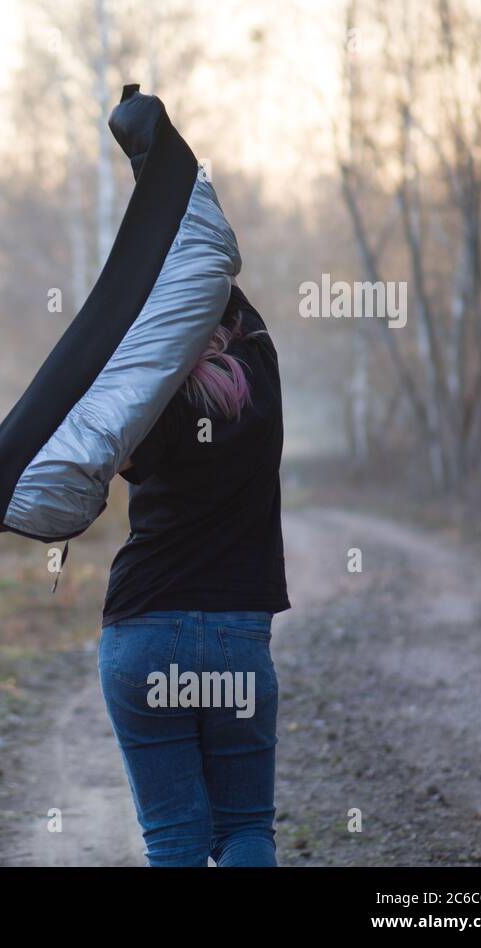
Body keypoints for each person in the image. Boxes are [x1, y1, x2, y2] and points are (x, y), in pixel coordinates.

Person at [97, 280, 290, 867]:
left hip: (143, 632)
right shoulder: (260, 367)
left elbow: (109, 453)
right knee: (245, 830)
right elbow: (213, 265)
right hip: (237, 638)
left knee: (175, 840)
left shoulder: (150, 395)